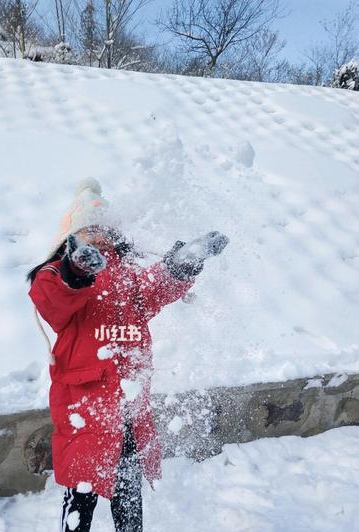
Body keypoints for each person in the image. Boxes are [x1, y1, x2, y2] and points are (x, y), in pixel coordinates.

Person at [27, 179, 228, 532]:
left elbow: (155, 288)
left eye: (104, 230)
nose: (98, 237)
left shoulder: (127, 278)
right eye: (89, 231)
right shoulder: (58, 275)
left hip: (129, 411)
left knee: (129, 498)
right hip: (84, 411)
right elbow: (50, 299)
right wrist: (76, 271)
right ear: (71, 237)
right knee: (81, 497)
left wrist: (181, 264)